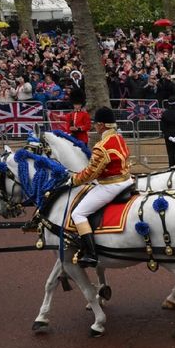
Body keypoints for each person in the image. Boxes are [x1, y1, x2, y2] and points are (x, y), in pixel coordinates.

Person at [70, 107, 132, 268]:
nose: (94, 127)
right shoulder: (119, 138)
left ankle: (91, 254)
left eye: (96, 124)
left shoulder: (102, 146)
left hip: (111, 186)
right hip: (127, 180)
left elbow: (90, 173)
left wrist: (73, 180)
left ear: (102, 125)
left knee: (78, 214)